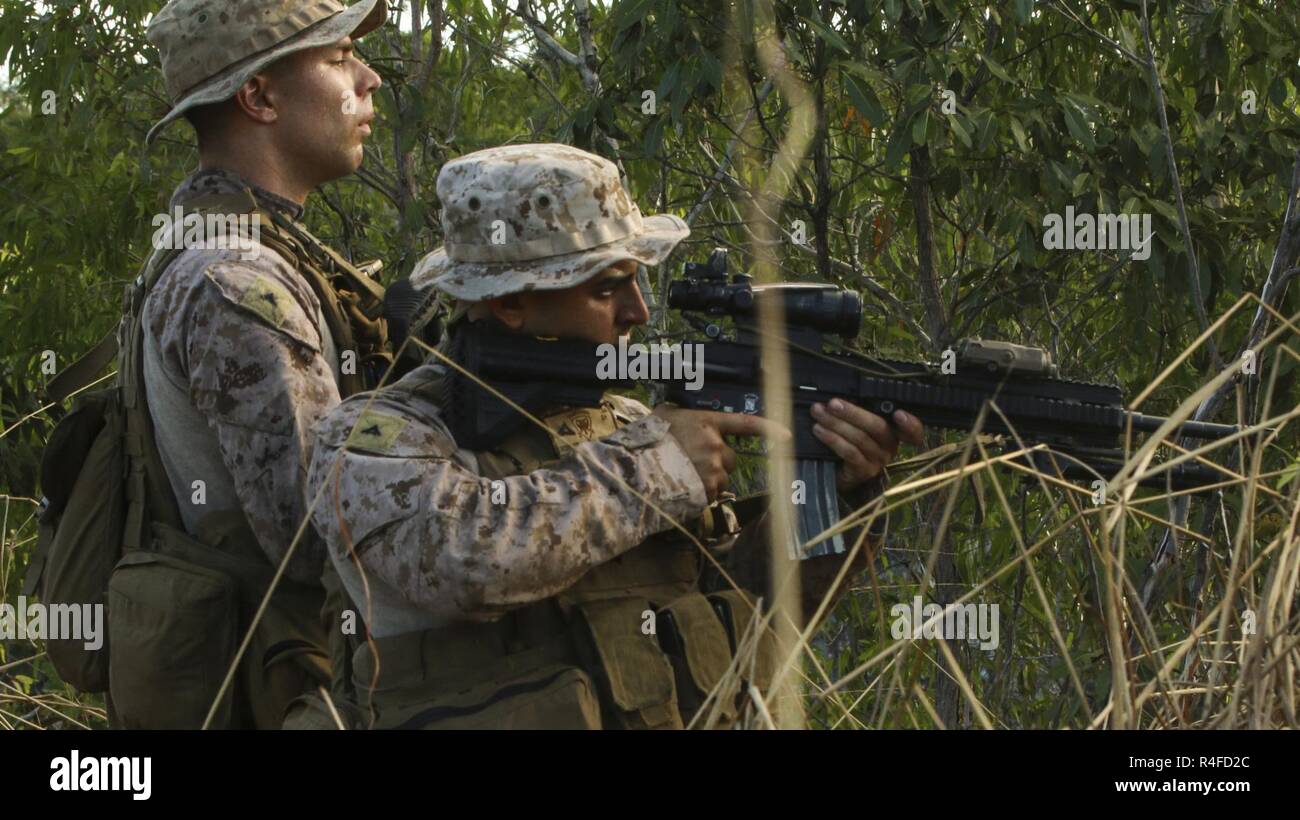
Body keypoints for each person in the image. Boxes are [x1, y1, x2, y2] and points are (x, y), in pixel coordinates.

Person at [307, 143, 925, 729]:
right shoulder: (375, 438)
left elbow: (741, 604)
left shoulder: (625, 423)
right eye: (605, 288)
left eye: (634, 280)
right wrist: (654, 470)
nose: (639, 312)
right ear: (510, 305)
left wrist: (837, 499)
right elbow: (463, 561)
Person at [106, 0, 388, 728]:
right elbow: (322, 538)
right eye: (337, 58)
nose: (370, 77)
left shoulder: (228, 245)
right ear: (258, 96)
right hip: (278, 688)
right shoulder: (236, 281)